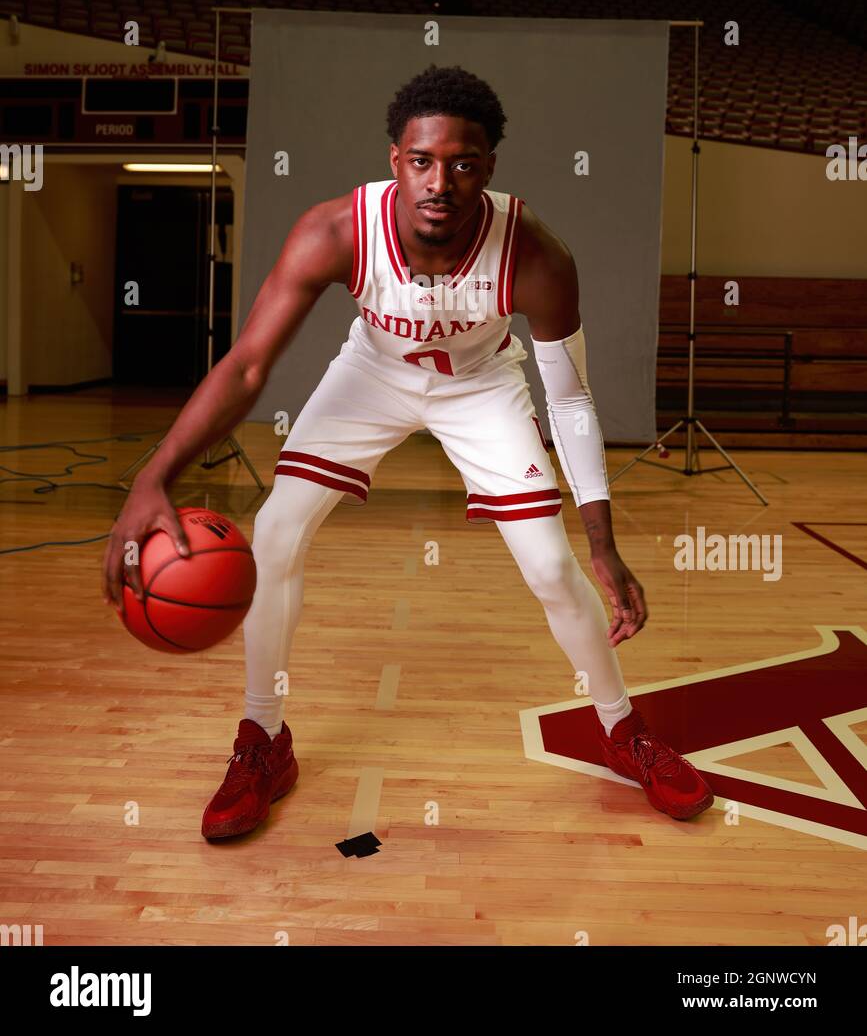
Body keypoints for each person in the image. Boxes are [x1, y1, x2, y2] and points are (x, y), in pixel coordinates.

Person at [103, 64, 713, 840]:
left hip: (481, 385)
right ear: (396, 160)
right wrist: (153, 477)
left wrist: (603, 543)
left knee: (553, 567)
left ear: (487, 169)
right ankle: (263, 739)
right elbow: (248, 364)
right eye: (422, 161)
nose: (441, 181)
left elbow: (569, 399)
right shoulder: (336, 230)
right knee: (278, 532)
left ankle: (623, 730)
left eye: (463, 164)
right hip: (373, 373)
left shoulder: (534, 253)